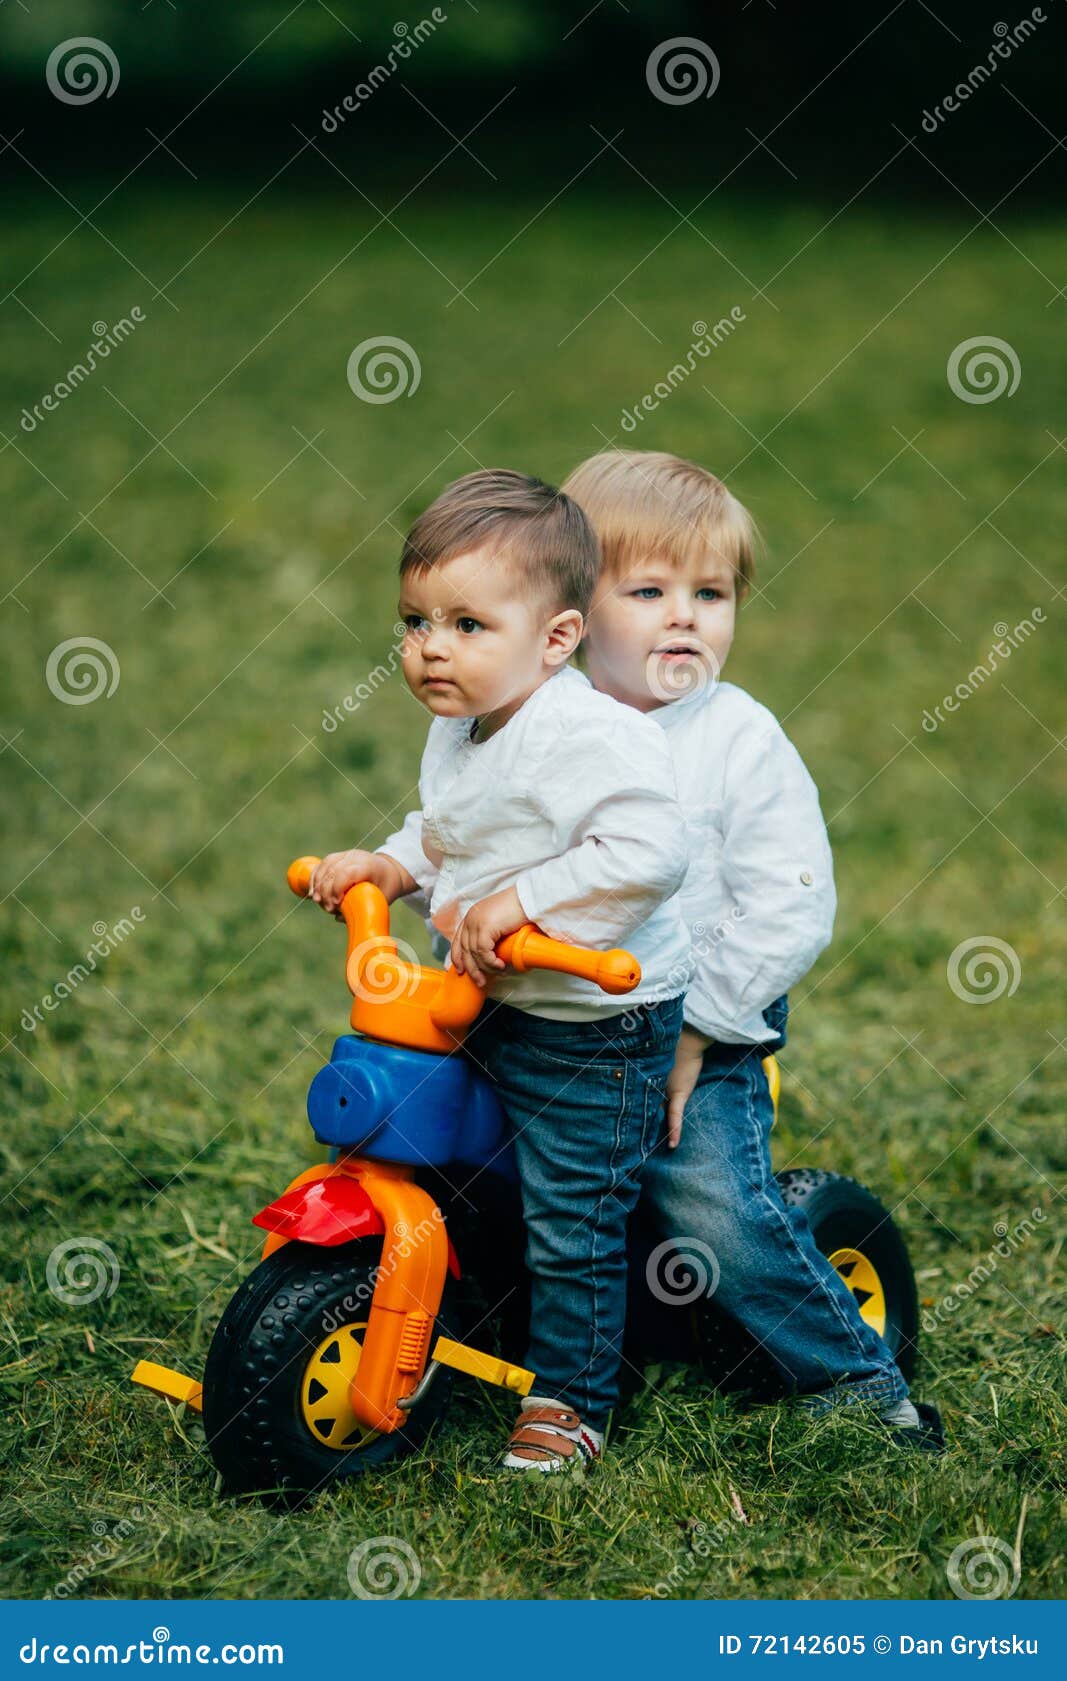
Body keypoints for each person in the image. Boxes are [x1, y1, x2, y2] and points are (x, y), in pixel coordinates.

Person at [310, 468, 692, 1471]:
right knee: (455, 1160)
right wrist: (394, 865)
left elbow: (647, 855)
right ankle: (451, 1298)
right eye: (414, 619)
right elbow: (456, 832)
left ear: (555, 640)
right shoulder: (463, 720)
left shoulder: (591, 735)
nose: (431, 646)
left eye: (467, 623)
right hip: (491, 996)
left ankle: (570, 1400)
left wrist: (519, 904)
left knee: (572, 1211)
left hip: (591, 1021)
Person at [563, 448, 942, 1450]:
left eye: (710, 592)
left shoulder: (738, 741)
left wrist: (695, 1026)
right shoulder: (538, 725)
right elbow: (475, 835)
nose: (683, 614)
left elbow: (789, 902)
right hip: (551, 1009)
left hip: (701, 1015)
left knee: (712, 1211)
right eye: (647, 590)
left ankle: (861, 1387)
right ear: (569, 610)